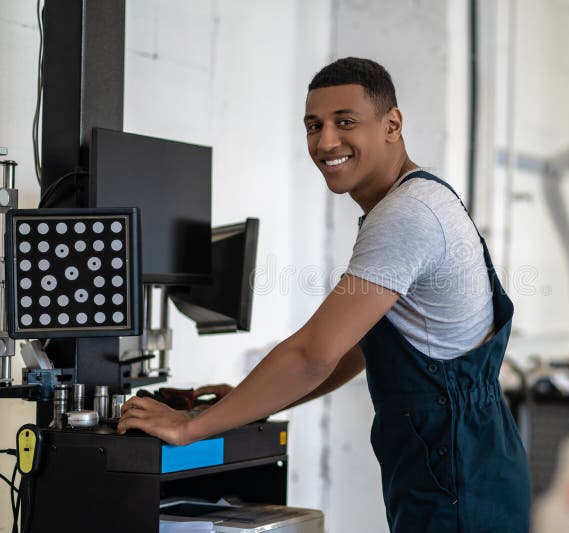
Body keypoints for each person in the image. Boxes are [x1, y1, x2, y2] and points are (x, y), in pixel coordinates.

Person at [119, 57, 531, 532]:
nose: (326, 141)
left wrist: (190, 427)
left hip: (458, 481)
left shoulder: (407, 215)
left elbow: (314, 351)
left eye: (345, 122)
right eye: (314, 126)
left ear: (392, 124)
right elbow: (358, 347)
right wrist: (248, 402)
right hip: (467, 467)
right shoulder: (419, 200)